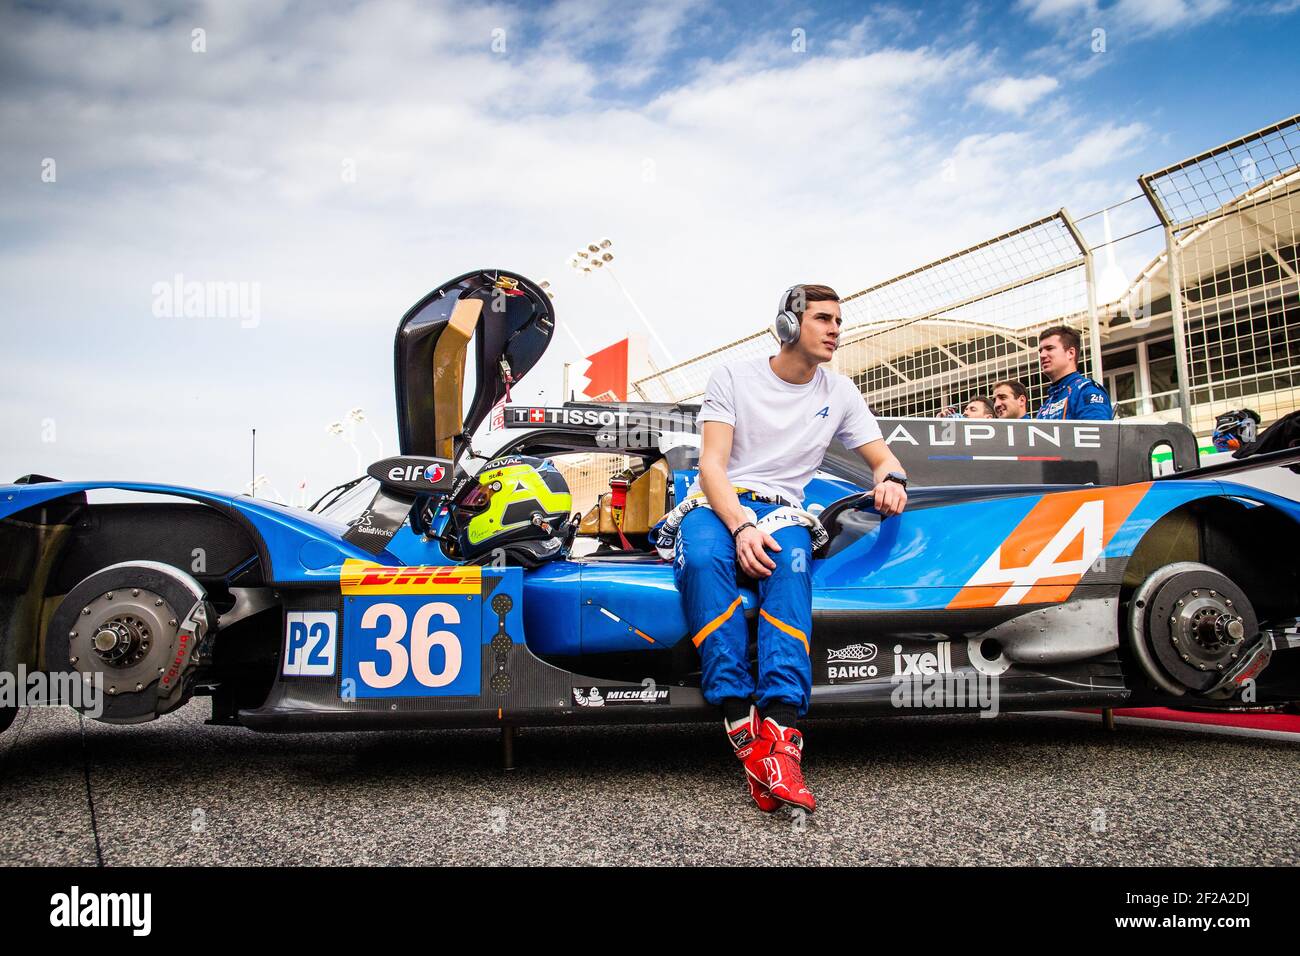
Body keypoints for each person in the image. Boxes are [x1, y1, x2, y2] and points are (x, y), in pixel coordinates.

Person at [676, 284, 908, 814]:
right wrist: (738, 525)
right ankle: (740, 718)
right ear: (789, 324)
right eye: (823, 319)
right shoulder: (732, 376)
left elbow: (884, 459)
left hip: (784, 510)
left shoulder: (840, 391)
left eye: (838, 321)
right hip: (719, 504)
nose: (834, 330)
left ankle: (781, 727)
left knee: (793, 562)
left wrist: (891, 478)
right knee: (707, 561)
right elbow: (712, 466)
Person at [1034, 326, 1113, 420]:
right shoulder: (1045, 407)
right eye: (1040, 351)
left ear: (1070, 353)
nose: (1042, 355)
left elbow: (1098, 433)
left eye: (1049, 348)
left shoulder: (1087, 391)